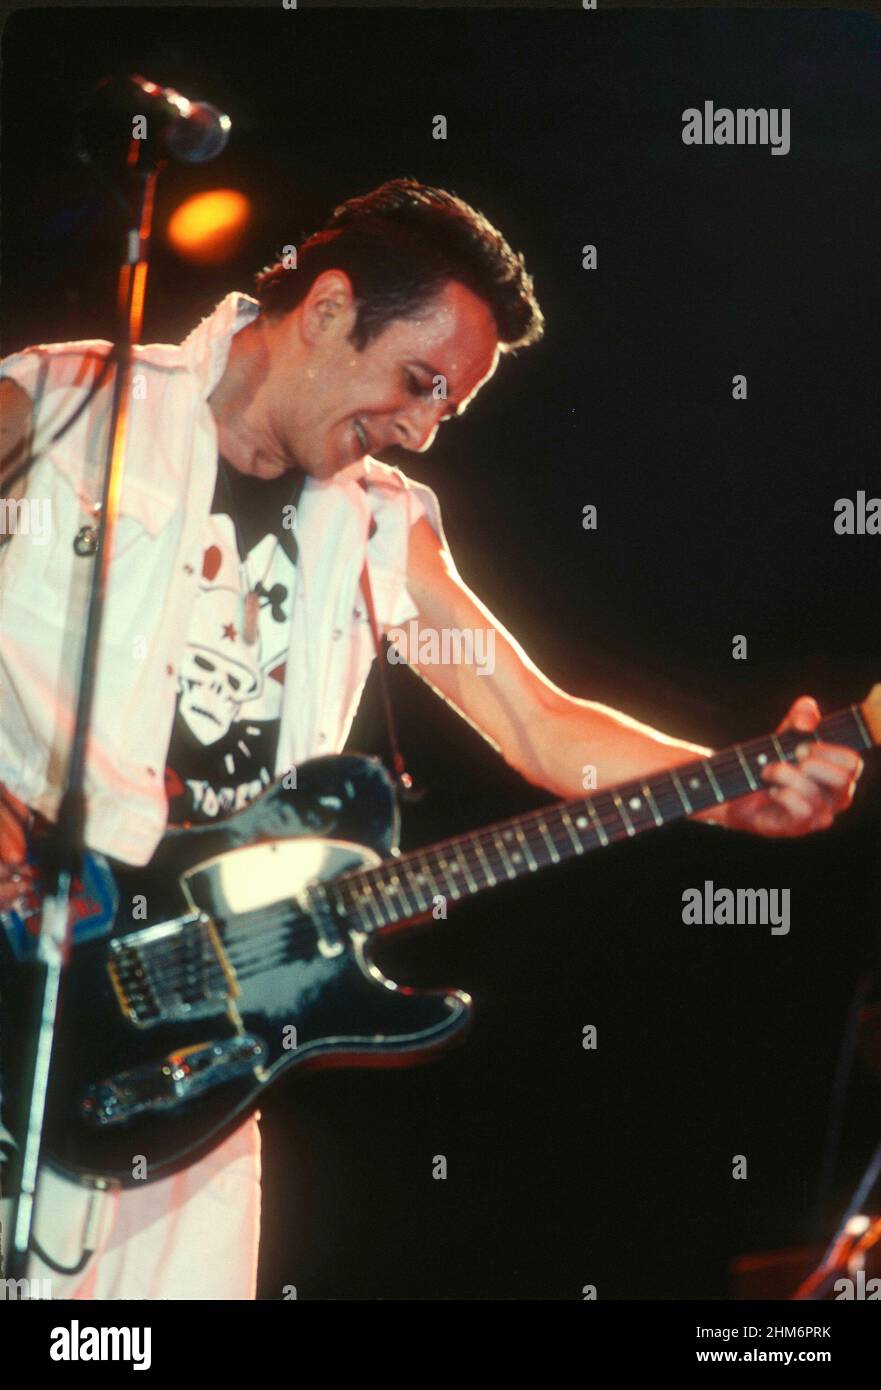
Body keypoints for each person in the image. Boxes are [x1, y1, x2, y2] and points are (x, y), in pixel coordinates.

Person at [0, 177, 863, 1299]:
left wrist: (728, 789)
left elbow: (537, 720)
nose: (416, 429)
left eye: (443, 411)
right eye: (416, 383)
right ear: (326, 309)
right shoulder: (61, 405)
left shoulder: (381, 523)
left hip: (197, 1054)